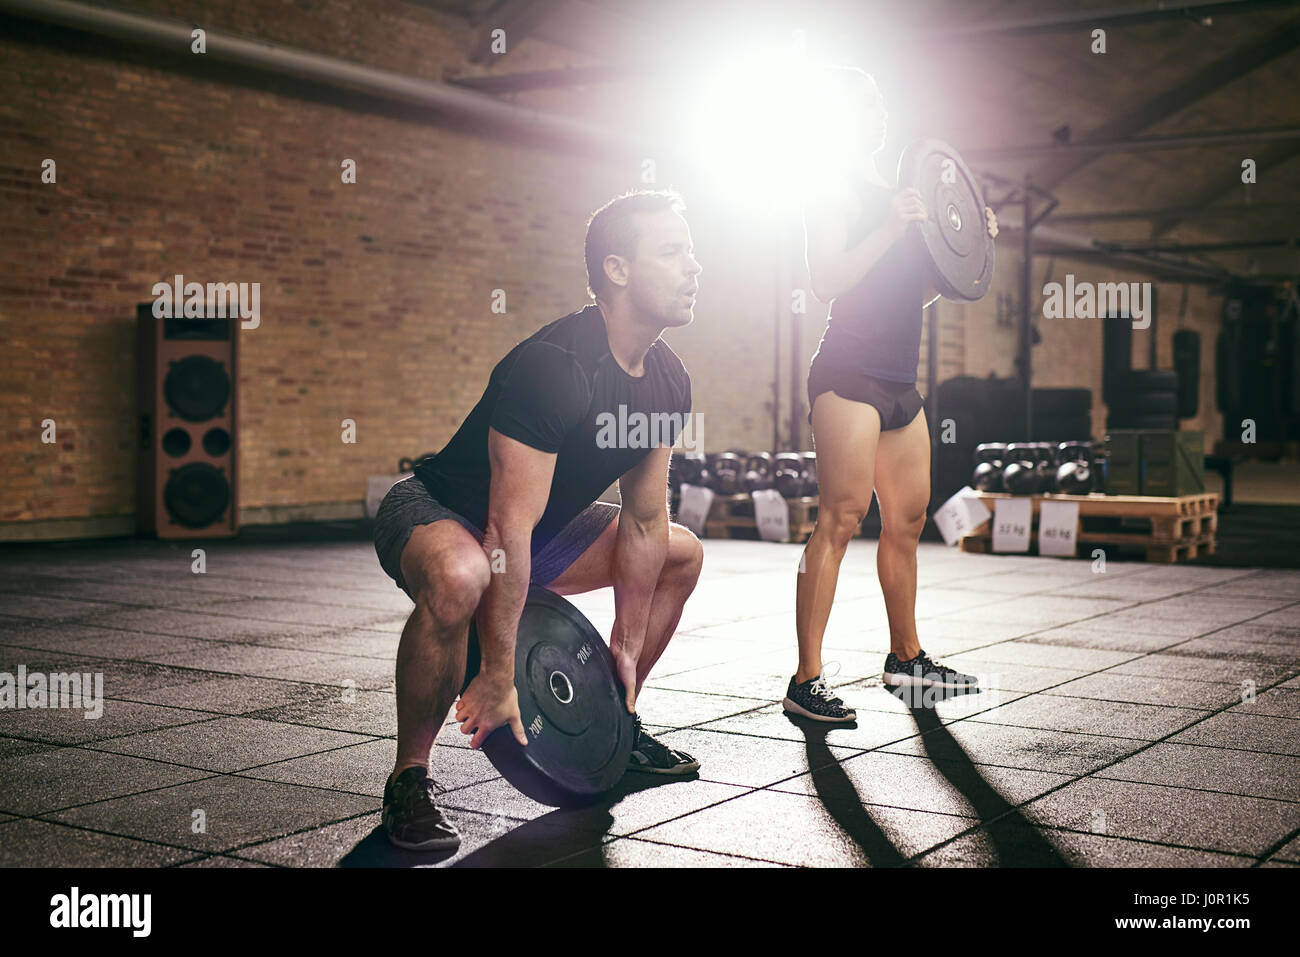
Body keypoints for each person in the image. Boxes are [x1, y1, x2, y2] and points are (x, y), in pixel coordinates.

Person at [372, 190, 704, 850]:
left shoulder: (667, 382)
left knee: (680, 552)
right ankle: (410, 778)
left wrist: (628, 651)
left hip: (543, 537)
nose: (695, 267)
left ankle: (626, 728)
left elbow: (642, 521)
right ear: (617, 269)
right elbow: (504, 530)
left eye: (693, 252)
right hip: (439, 512)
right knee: (464, 576)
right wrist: (497, 671)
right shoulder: (559, 367)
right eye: (672, 252)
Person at [783, 68, 999, 722]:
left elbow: (915, 290)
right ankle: (806, 680)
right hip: (848, 374)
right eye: (859, 102)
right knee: (841, 517)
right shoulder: (833, 189)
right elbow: (827, 279)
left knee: (906, 520)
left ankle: (906, 659)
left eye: (878, 101)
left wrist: (972, 242)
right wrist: (892, 225)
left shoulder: (904, 193)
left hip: (902, 382)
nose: (875, 112)